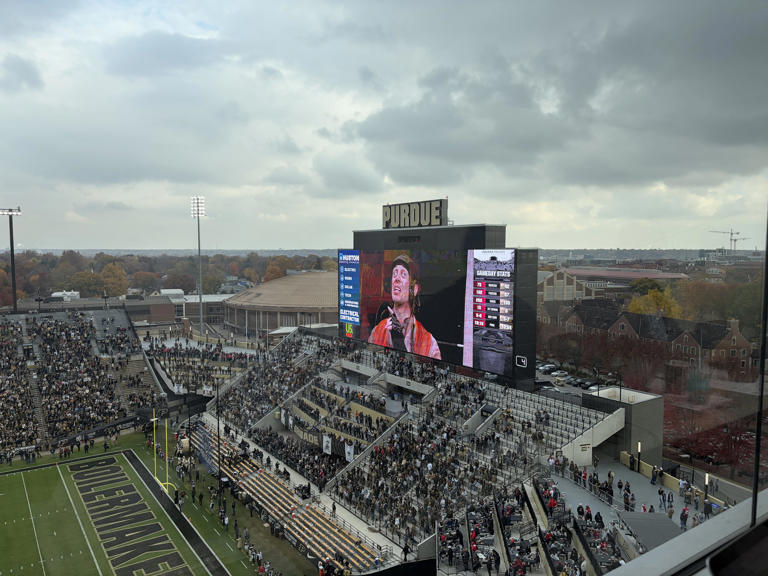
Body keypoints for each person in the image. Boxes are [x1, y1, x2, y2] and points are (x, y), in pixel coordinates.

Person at [368, 253, 441, 359]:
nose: (396, 278)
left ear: (414, 289)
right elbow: (369, 361)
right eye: (394, 274)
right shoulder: (377, 331)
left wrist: (398, 341)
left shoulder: (429, 343)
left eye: (403, 275)